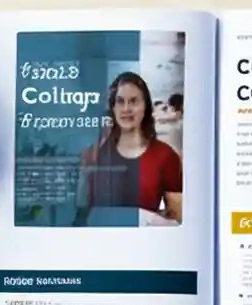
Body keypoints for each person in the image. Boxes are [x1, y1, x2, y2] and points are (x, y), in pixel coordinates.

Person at [78, 72, 183, 224]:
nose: (126, 108)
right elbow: (81, 214)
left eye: (134, 101)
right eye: (120, 101)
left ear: (145, 106)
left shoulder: (166, 156)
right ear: (113, 107)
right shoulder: (93, 155)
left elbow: (177, 217)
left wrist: (150, 220)